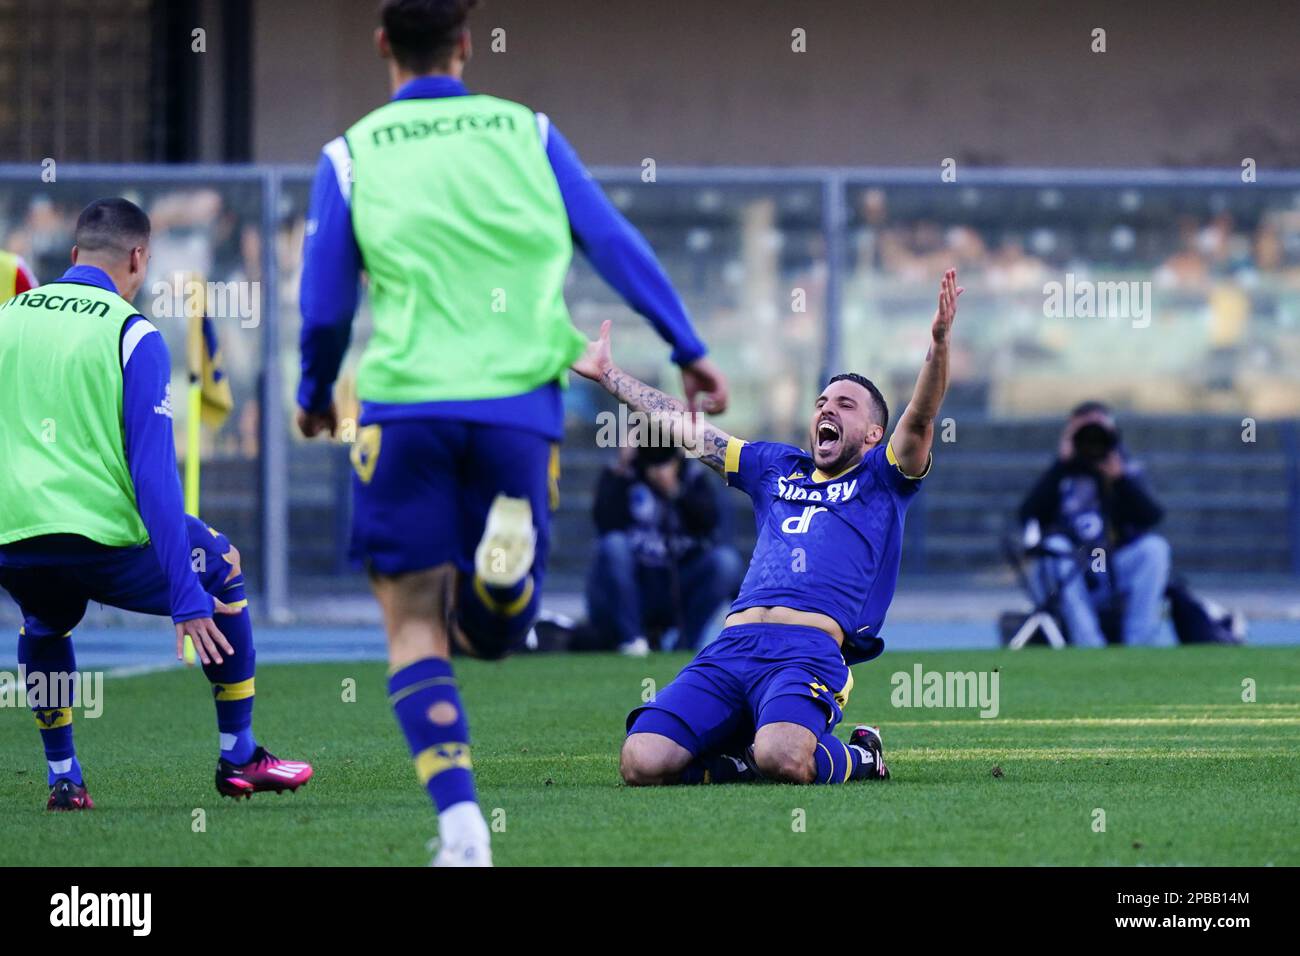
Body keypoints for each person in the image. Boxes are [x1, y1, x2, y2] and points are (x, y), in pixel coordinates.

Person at [295, 0, 726, 864]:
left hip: (405, 411)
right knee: (494, 630)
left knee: (415, 626)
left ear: (383, 44)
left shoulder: (349, 154)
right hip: (516, 412)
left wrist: (314, 389)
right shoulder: (527, 134)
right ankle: (501, 579)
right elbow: (611, 239)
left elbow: (327, 303)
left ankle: (461, 830)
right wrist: (687, 346)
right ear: (465, 43)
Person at [572, 269, 964, 786]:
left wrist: (937, 347)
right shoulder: (775, 467)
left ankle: (861, 757)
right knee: (641, 762)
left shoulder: (883, 478)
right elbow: (689, 428)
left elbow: (920, 417)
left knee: (784, 757)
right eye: (822, 403)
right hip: (730, 647)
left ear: (873, 433)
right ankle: (738, 757)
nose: (827, 409)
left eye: (845, 405)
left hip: (806, 651)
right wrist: (608, 375)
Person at [0, 198, 312, 811]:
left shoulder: (7, 318)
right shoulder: (132, 332)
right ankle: (240, 755)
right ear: (139, 258)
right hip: (102, 544)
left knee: (44, 621)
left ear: (73, 255)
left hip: (12, 541)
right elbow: (153, 477)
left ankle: (64, 778)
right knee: (220, 563)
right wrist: (185, 592)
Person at [1019, 402, 1170, 647]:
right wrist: (1061, 464)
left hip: (1113, 569)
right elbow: (1028, 515)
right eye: (1083, 431)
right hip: (1070, 572)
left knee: (1155, 548)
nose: (1091, 440)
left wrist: (1119, 479)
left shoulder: (1124, 469)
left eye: (1097, 430)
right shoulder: (1060, 473)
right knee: (1055, 546)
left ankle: (1140, 645)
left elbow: (1151, 517)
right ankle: (1089, 645)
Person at [587, 444, 744, 655]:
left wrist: (675, 491)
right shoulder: (622, 473)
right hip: (634, 587)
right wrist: (622, 472)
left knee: (726, 562)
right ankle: (633, 642)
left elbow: (710, 524)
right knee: (614, 545)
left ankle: (685, 645)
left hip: (679, 583)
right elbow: (604, 524)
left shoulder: (691, 475)